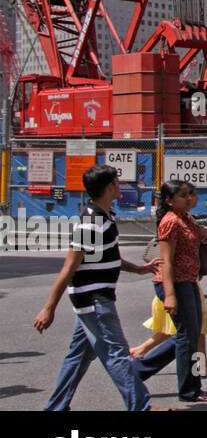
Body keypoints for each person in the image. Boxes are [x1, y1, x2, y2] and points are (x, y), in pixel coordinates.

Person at [34, 165, 163, 411]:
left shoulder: (104, 217)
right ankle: (140, 407)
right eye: (117, 181)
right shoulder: (91, 223)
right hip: (93, 300)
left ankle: (56, 408)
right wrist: (48, 309)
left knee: (79, 355)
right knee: (117, 353)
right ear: (109, 187)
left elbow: (102, 259)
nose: (120, 185)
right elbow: (69, 268)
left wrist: (139, 269)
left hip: (92, 300)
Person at [133, 180, 207, 402]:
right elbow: (166, 262)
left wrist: (203, 235)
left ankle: (138, 371)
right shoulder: (170, 222)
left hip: (188, 281)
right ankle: (189, 390)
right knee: (187, 337)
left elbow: (201, 243)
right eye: (183, 196)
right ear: (169, 201)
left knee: (189, 336)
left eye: (190, 193)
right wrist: (169, 295)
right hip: (175, 283)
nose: (189, 198)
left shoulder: (187, 219)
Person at [131, 287, 207, 378]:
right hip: (179, 284)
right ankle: (201, 365)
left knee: (190, 325)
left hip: (185, 282)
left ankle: (140, 351)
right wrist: (170, 295)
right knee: (191, 327)